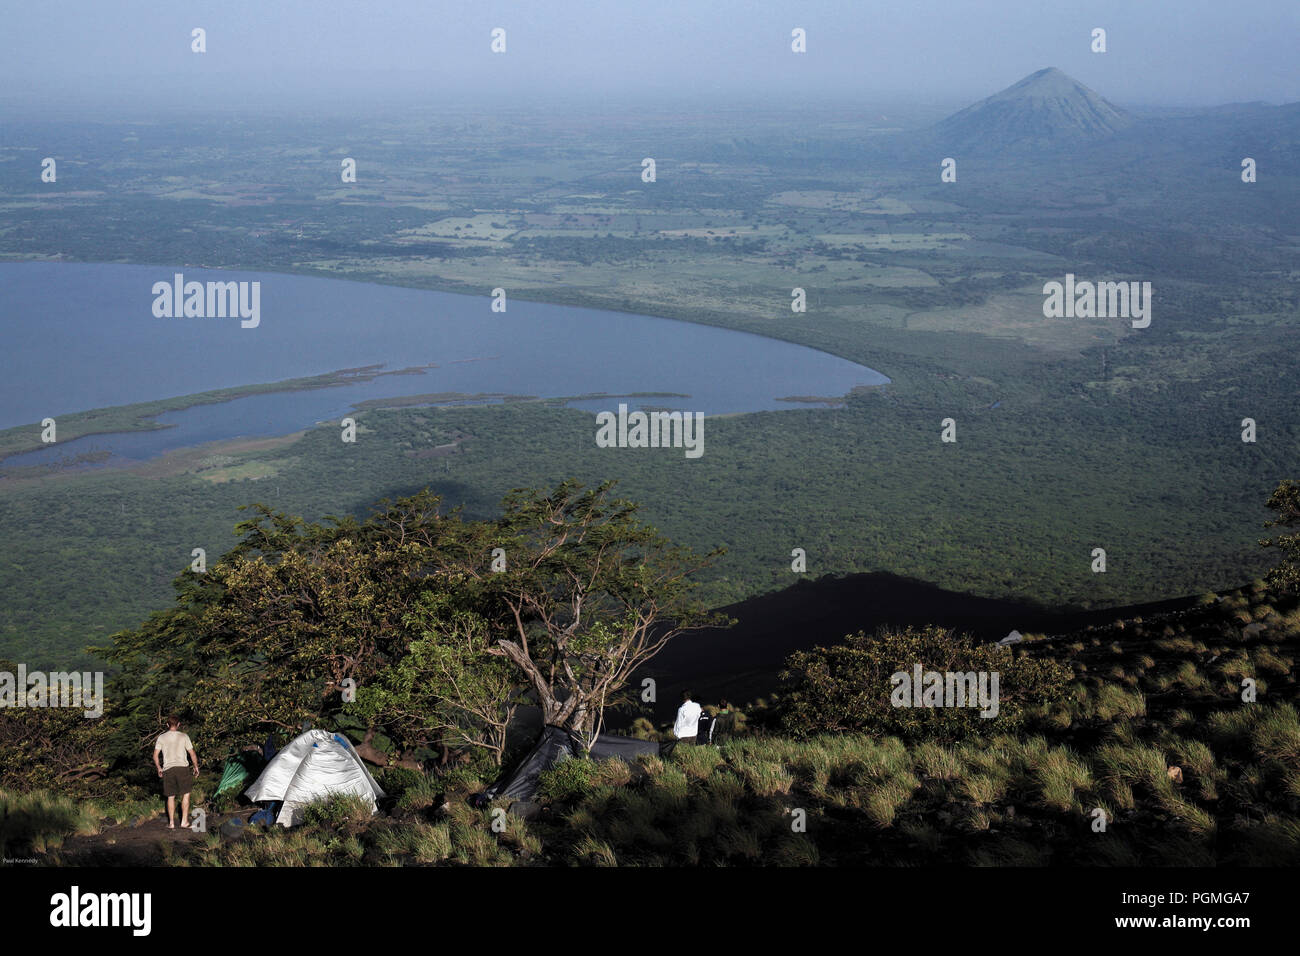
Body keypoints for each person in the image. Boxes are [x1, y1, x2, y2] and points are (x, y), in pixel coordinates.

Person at [153, 715, 199, 830]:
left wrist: (159, 767)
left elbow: (155, 755)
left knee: (170, 796)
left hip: (168, 769)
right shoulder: (184, 736)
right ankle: (184, 822)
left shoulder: (161, 738)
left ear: (167, 725)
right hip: (182, 768)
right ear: (178, 724)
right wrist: (196, 766)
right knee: (186, 794)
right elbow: (192, 753)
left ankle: (172, 823)